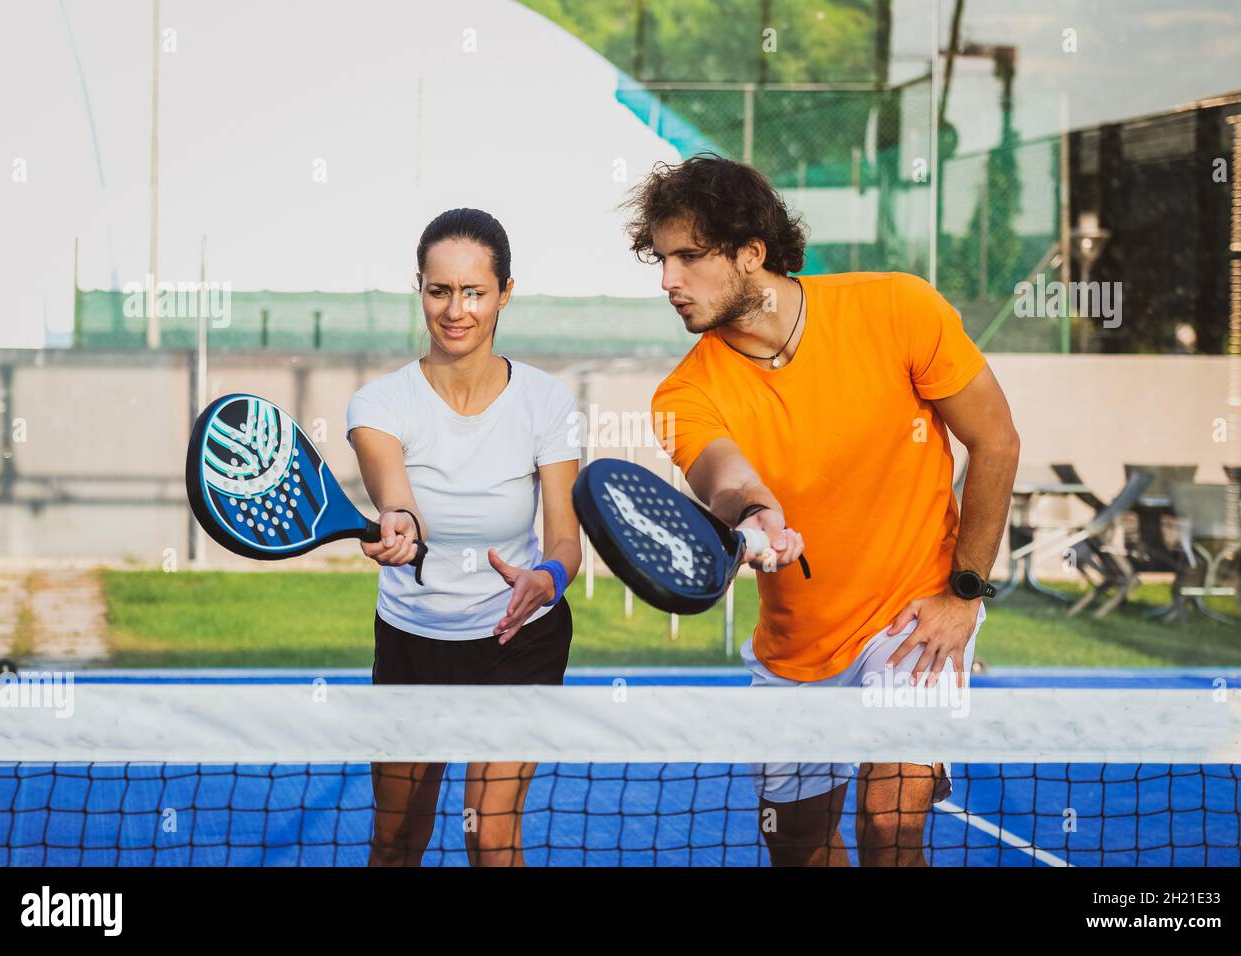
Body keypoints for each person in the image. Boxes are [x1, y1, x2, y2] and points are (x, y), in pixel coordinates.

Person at [630, 155, 1020, 866]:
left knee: (889, 826)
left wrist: (965, 595)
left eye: (688, 257)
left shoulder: (899, 308)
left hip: (914, 621)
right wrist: (755, 513)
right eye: (661, 260)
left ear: (752, 252)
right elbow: (725, 476)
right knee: (797, 846)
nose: (667, 281)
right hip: (798, 649)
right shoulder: (682, 395)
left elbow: (995, 440)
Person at [345, 208, 581, 866]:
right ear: (419, 288)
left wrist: (549, 580)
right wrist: (400, 530)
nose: (456, 310)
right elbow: (399, 505)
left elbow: (566, 542)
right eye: (439, 290)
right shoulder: (378, 404)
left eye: (474, 291)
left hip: (519, 644)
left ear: (505, 292)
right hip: (413, 645)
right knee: (395, 841)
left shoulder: (546, 401)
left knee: (490, 836)